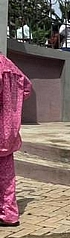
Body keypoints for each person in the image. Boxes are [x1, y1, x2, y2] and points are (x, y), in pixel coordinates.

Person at [0, 53, 32, 227]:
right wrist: (12, 106)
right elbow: (26, 87)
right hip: (8, 131)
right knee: (6, 175)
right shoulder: (8, 65)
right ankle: (9, 214)